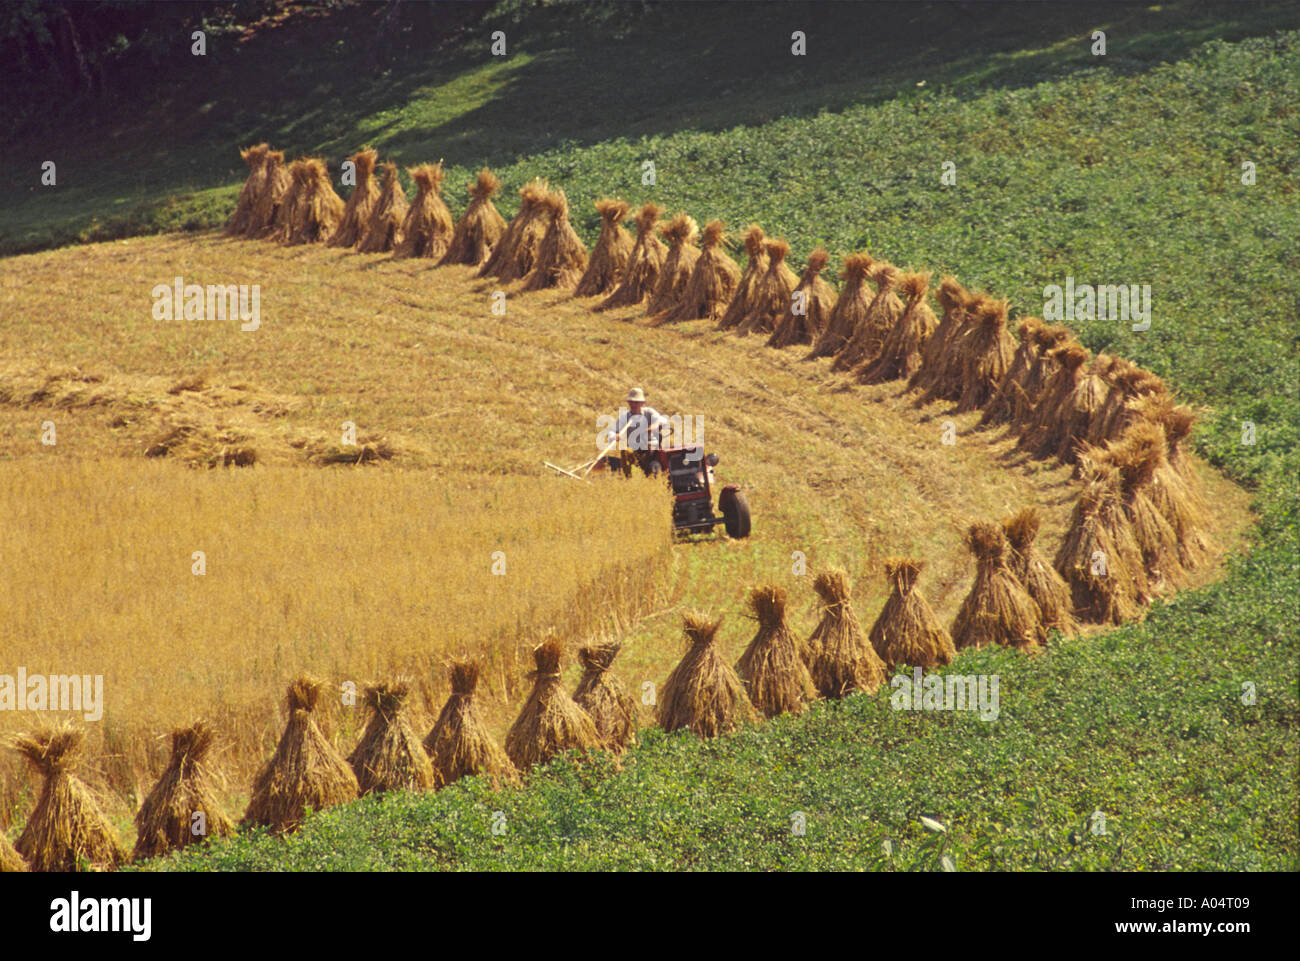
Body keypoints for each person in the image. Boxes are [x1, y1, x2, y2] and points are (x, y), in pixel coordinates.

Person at [598, 387, 668, 475]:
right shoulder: (625, 417)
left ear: (642, 403)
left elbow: (663, 421)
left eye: (636, 402)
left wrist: (656, 425)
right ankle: (628, 476)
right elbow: (612, 431)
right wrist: (614, 436)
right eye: (631, 402)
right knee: (625, 451)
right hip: (635, 451)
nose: (633, 405)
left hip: (652, 451)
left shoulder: (649, 412)